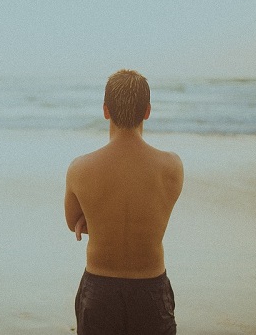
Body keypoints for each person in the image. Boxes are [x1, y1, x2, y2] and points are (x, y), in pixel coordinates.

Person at [64, 70, 183, 334]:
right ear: (148, 111)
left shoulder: (80, 168)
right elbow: (158, 207)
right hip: (151, 287)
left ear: (106, 110)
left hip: (100, 287)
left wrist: (96, 217)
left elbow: (72, 221)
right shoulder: (171, 166)